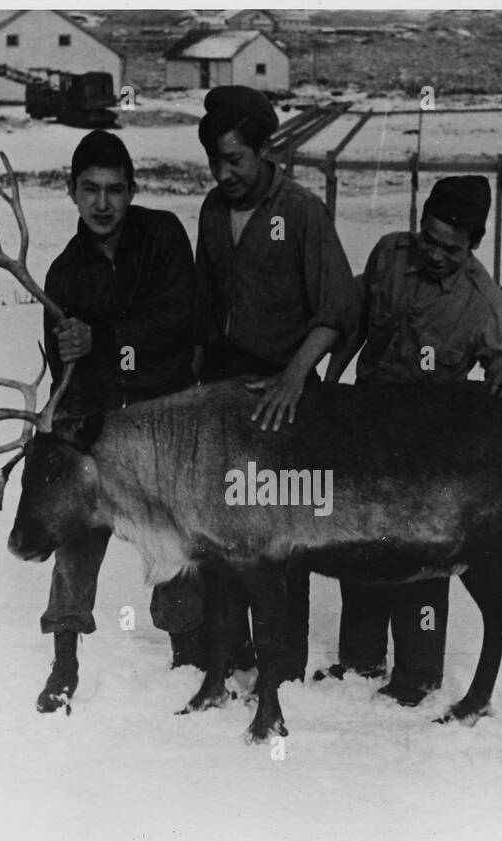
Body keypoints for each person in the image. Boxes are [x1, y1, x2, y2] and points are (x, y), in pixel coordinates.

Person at [318, 175, 502, 706]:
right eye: (429, 239)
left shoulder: (483, 303)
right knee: (359, 545)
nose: (434, 253)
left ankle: (417, 677)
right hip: (366, 432)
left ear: (473, 244)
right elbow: (355, 319)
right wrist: (329, 381)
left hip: (429, 453)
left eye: (450, 248)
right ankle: (361, 661)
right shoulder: (390, 254)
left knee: (423, 557)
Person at [192, 85, 360, 683]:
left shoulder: (304, 212)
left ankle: (283, 662)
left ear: (266, 153)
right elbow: (204, 309)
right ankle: (228, 651)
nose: (224, 172)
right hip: (226, 395)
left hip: (286, 398)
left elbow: (337, 308)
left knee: (284, 530)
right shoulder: (213, 213)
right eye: (215, 160)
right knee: (226, 525)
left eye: (234, 159)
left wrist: (294, 378)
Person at [36, 130, 202, 713]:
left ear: (133, 191)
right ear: (71, 192)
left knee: (174, 538)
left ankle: (187, 656)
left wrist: (101, 339)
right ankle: (64, 661)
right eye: (90, 190)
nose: (102, 204)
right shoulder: (64, 275)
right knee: (75, 534)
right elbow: (64, 368)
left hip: (164, 421)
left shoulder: (162, 237)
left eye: (115, 190)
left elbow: (178, 319)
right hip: (101, 425)